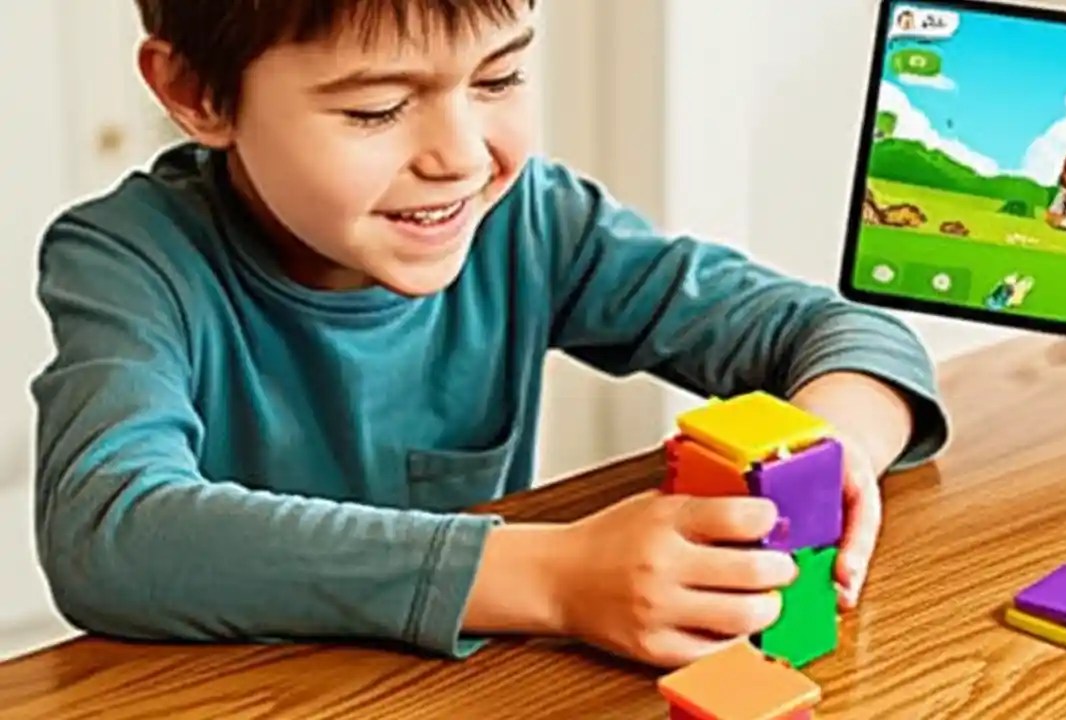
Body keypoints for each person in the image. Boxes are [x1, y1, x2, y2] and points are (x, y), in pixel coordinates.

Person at [30, 0, 950, 669]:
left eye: (501, 77)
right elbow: (109, 532)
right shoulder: (127, 259)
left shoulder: (530, 224)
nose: (461, 156)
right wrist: (555, 576)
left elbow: (848, 335)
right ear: (197, 94)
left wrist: (834, 447)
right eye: (377, 109)